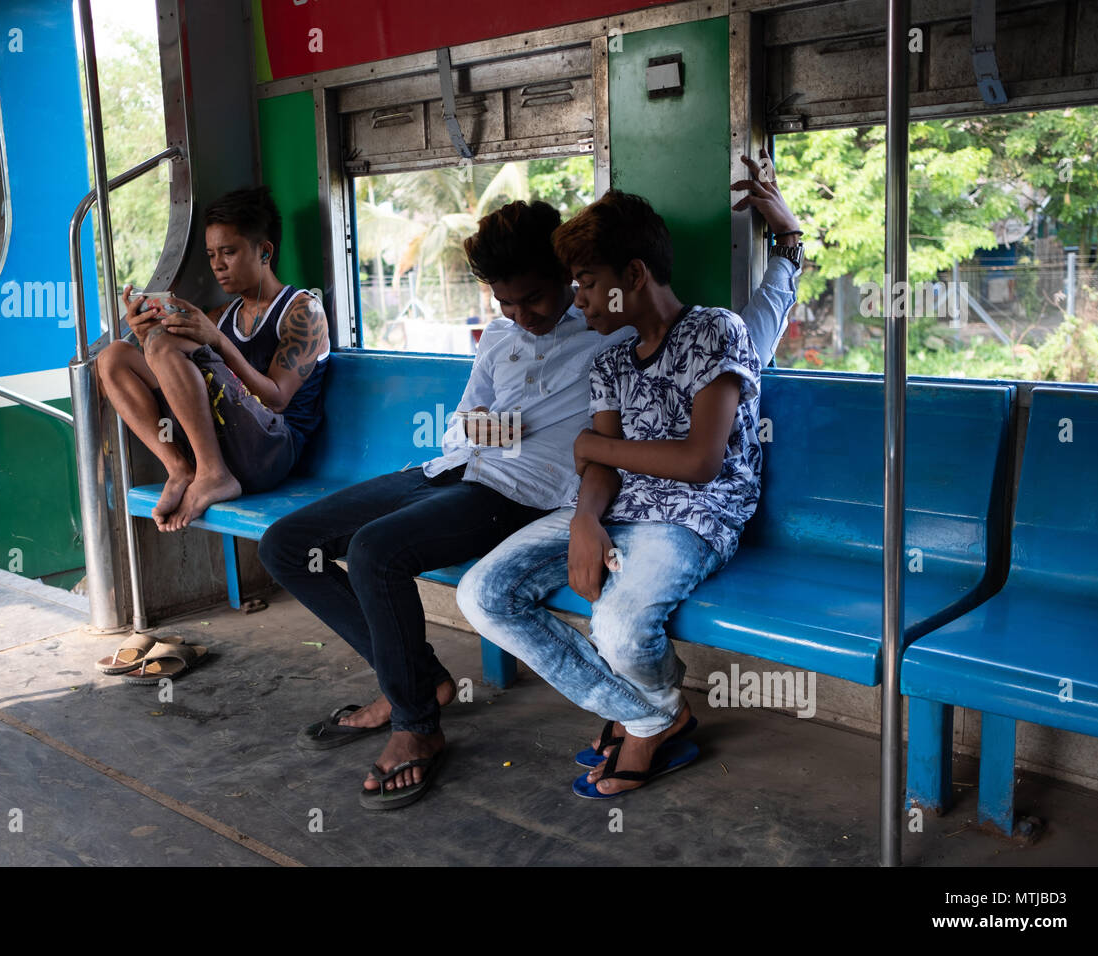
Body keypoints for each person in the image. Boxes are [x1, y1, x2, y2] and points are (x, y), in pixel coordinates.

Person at [257, 152, 801, 810]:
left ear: (580, 280)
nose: (522, 313)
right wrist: (554, 480)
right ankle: (444, 685)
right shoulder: (554, 345)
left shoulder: (629, 331)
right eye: (505, 302)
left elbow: (715, 401)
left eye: (545, 293)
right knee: (306, 549)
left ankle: (435, 722)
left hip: (577, 504)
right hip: (487, 476)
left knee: (385, 554)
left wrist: (790, 242)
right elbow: (471, 424)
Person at [457, 180, 803, 799]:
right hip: (616, 511)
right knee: (483, 595)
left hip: (695, 518)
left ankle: (641, 718)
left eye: (586, 282)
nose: (578, 299)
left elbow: (701, 462)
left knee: (616, 628)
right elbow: (601, 467)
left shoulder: (713, 333)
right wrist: (586, 521)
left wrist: (594, 446)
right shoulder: (612, 362)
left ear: (634, 274)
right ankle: (655, 714)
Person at [97, 186, 330, 533]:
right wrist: (146, 333)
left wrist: (217, 341)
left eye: (229, 252)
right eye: (211, 255)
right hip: (228, 445)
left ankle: (213, 473)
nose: (218, 265)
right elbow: (175, 372)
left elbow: (278, 399)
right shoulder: (222, 314)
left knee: (166, 346)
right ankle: (180, 467)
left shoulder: (302, 310)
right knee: (113, 357)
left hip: (272, 453)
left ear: (264, 252)